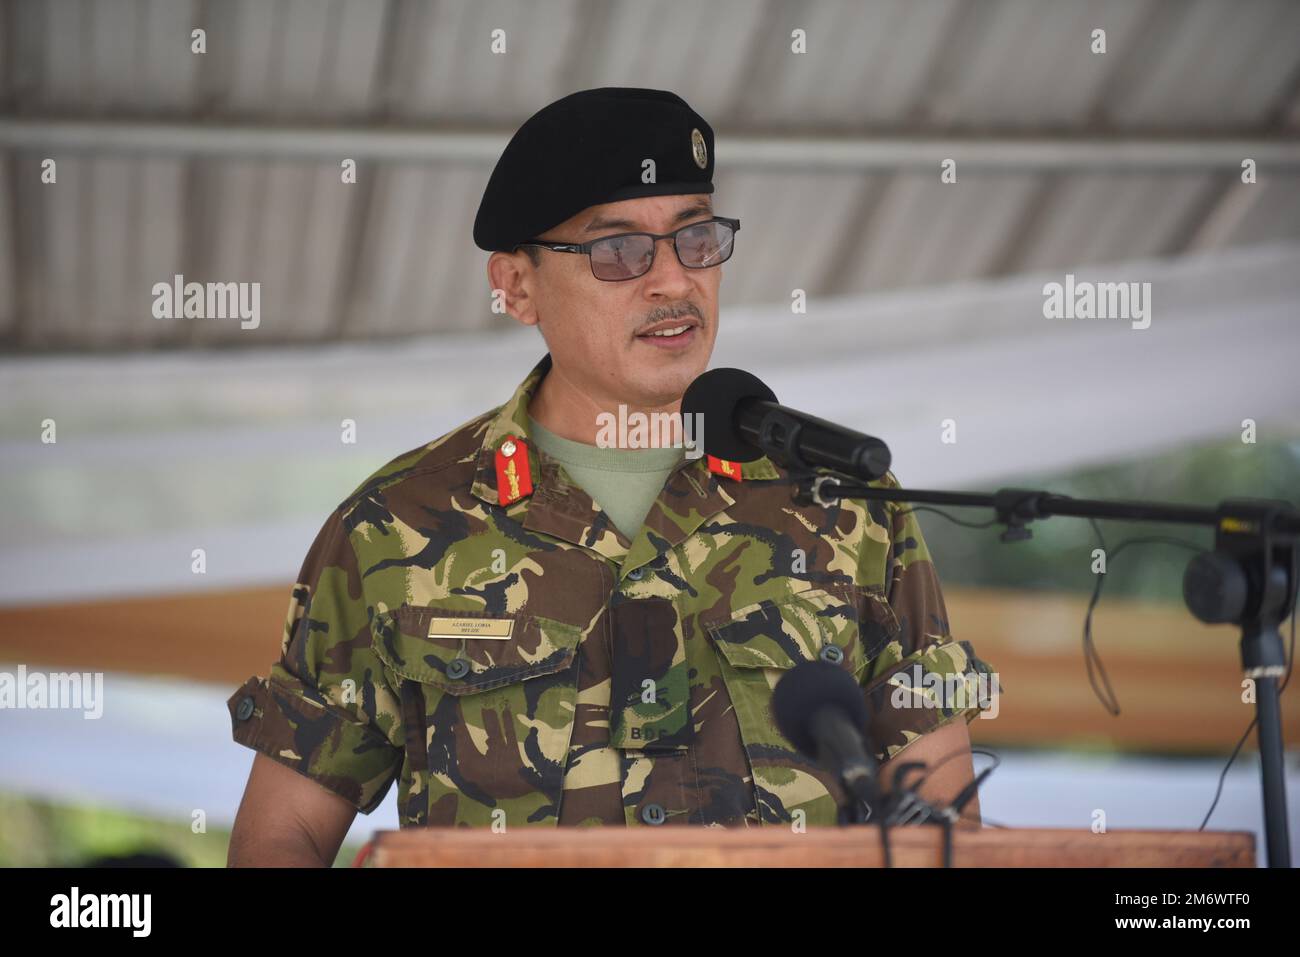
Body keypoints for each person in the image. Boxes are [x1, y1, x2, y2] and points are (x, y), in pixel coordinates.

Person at [226, 87, 997, 867]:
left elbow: (943, 821)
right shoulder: (395, 524)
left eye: (694, 236)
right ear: (517, 285)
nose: (671, 281)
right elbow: (280, 833)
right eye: (619, 250)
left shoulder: (841, 505)